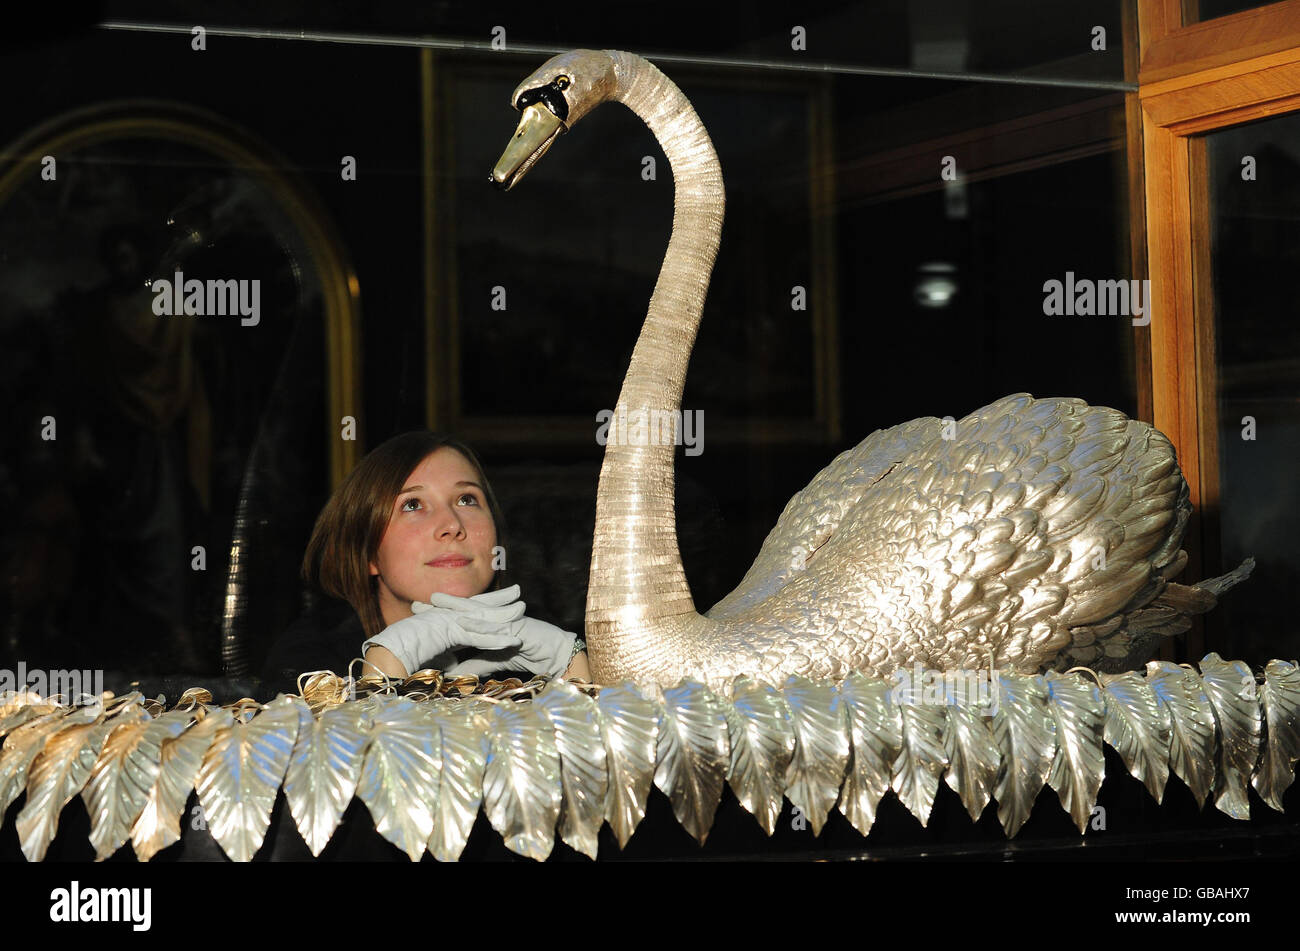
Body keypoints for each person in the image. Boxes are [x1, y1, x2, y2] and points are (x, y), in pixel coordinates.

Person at [260, 431, 589, 693]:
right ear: (368, 554)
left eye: (466, 499)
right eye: (413, 505)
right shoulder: (308, 660)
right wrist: (386, 664)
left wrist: (574, 667)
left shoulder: (538, 637)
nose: (452, 525)